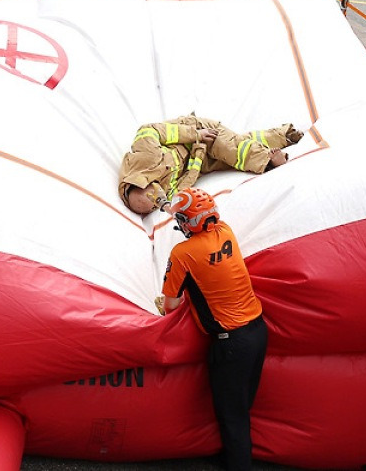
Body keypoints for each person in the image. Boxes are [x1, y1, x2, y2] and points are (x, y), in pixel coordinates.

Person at [161, 188, 267, 471]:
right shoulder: (225, 231)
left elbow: (171, 305)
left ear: (190, 221)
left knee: (232, 416)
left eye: (182, 219)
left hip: (231, 343)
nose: (180, 225)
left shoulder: (182, 253)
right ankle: (233, 458)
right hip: (257, 331)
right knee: (241, 409)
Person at [119, 115, 303, 215]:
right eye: (154, 206)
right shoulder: (165, 194)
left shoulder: (144, 158)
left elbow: (149, 130)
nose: (158, 202)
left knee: (231, 148)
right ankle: (284, 135)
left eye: (154, 199)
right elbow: (187, 181)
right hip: (198, 156)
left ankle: (268, 161)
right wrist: (198, 157)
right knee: (235, 152)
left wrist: (196, 135)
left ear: (145, 183)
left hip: (195, 132)